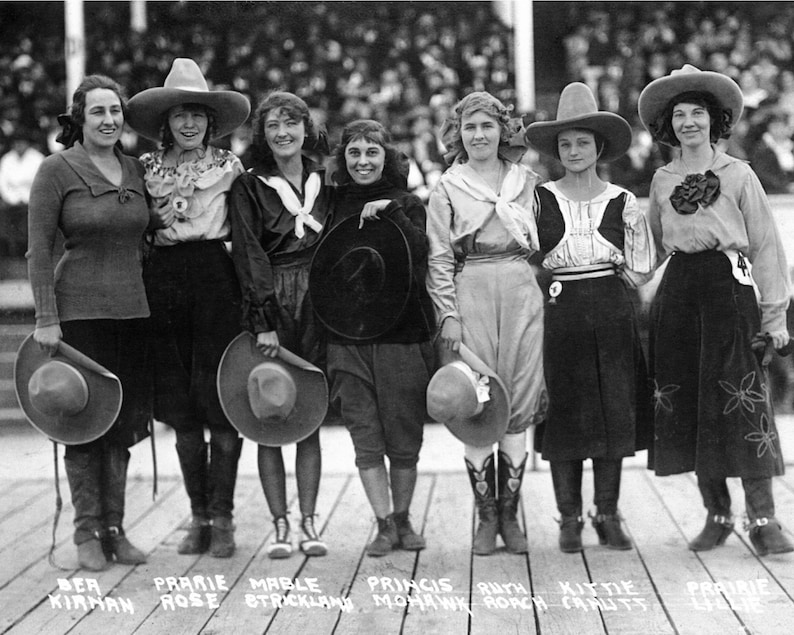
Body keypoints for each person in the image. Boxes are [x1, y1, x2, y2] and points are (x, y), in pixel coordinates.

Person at [638, 64, 794, 556]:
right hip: (679, 295)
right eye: (679, 115)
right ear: (668, 126)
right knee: (691, 401)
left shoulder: (740, 174)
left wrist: (774, 318)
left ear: (714, 120)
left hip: (729, 291)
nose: (688, 122)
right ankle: (717, 513)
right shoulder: (661, 180)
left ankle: (764, 519)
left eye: (697, 113)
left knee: (743, 399)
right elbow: (651, 250)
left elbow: (767, 248)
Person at [126, 58, 250, 558]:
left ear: (211, 121)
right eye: (180, 115)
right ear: (165, 121)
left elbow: (243, 236)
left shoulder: (229, 167)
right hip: (163, 280)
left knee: (218, 399)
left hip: (214, 278)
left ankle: (223, 517)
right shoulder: (144, 169)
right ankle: (197, 516)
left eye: (198, 114)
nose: (190, 124)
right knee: (180, 408)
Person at [26, 74, 151, 571]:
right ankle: (85, 533)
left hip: (134, 313)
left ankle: (115, 529)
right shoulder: (56, 170)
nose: (109, 120)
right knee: (83, 424)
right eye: (98, 111)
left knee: (121, 427)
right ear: (80, 118)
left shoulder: (137, 168)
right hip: (77, 317)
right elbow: (38, 252)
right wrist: (45, 317)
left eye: (116, 111)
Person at [524, 82, 655, 553]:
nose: (574, 151)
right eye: (565, 143)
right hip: (560, 310)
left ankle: (607, 512)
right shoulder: (538, 199)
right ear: (555, 151)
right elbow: (527, 257)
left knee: (612, 408)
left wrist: (618, 269)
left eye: (582, 142)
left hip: (611, 307)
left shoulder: (623, 201)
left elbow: (640, 268)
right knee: (565, 410)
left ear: (599, 147)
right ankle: (569, 516)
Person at [426, 92, 547, 555]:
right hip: (470, 291)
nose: (479, 135)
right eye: (470, 127)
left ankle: (510, 516)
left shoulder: (526, 181)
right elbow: (438, 257)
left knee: (516, 403)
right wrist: (448, 315)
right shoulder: (448, 187)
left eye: (487, 126)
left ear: (503, 131)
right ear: (458, 133)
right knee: (478, 403)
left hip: (519, 289)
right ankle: (485, 517)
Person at [311, 119, 434, 557]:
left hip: (402, 335)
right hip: (346, 337)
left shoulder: (408, 203)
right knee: (364, 434)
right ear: (343, 160)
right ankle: (382, 523)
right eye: (355, 153)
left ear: (387, 157)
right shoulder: (331, 203)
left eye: (372, 153)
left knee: (404, 435)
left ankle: (402, 518)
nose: (363, 161)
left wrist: (392, 211)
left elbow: (423, 254)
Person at [228, 92, 331, 558]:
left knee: (308, 413)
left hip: (319, 304)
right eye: (273, 125)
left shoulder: (325, 180)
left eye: (291, 123)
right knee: (269, 412)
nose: (283, 133)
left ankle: (310, 523)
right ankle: (280, 526)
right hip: (273, 298)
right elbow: (250, 256)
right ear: (263, 134)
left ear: (306, 129)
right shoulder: (249, 186)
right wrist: (263, 319)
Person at [0, 131, 44, 260]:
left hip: (32, 200)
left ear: (27, 144)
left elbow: (40, 184)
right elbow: (3, 184)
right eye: (16, 143)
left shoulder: (38, 159)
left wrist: (26, 199)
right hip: (10, 201)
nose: (18, 145)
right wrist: (11, 199)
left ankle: (27, 252)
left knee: (28, 219)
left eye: (21, 143)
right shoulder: (6, 159)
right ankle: (8, 253)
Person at [749, 108, 794, 195]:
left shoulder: (791, 146)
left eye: (782, 126)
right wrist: (785, 187)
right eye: (775, 126)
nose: (779, 130)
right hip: (772, 193)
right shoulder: (761, 149)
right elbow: (762, 174)